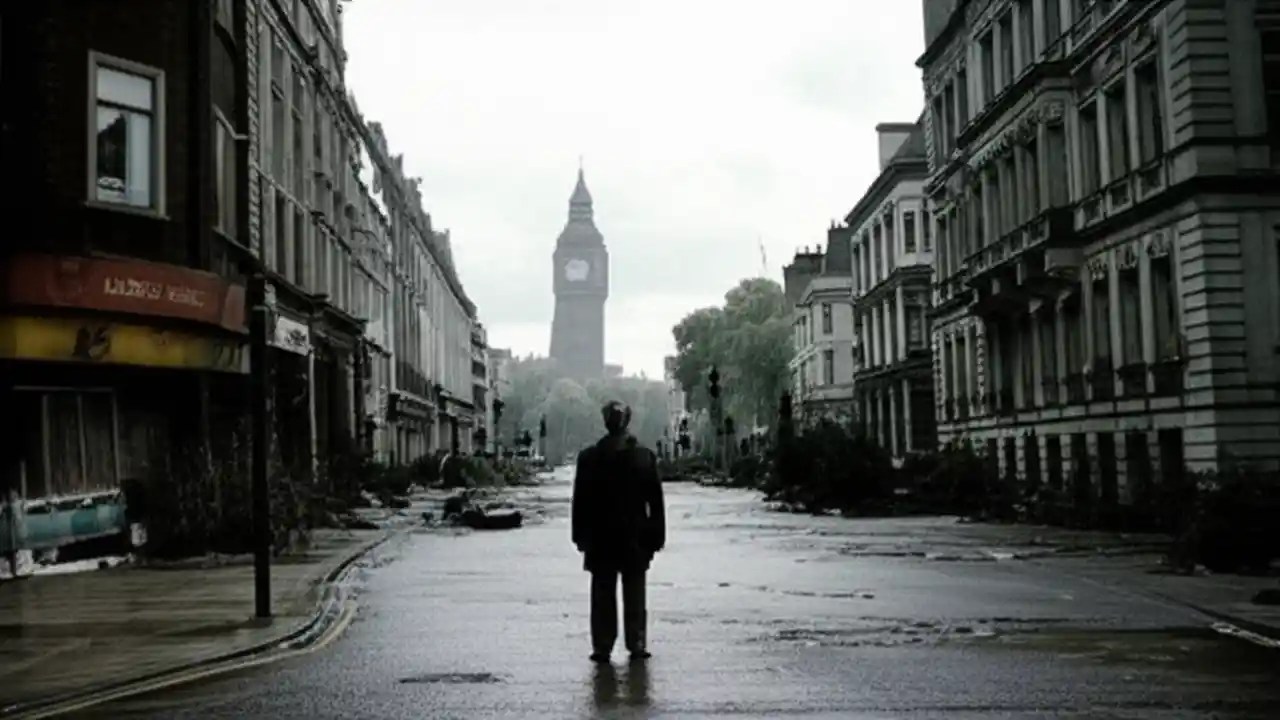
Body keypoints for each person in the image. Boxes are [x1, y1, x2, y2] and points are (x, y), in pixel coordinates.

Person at [571, 400, 666, 663]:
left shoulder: (590, 458)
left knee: (603, 594)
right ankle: (635, 641)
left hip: (602, 537)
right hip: (634, 536)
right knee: (634, 592)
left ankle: (604, 644)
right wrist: (657, 536)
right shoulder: (643, 457)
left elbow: (580, 502)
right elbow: (655, 502)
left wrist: (579, 536)